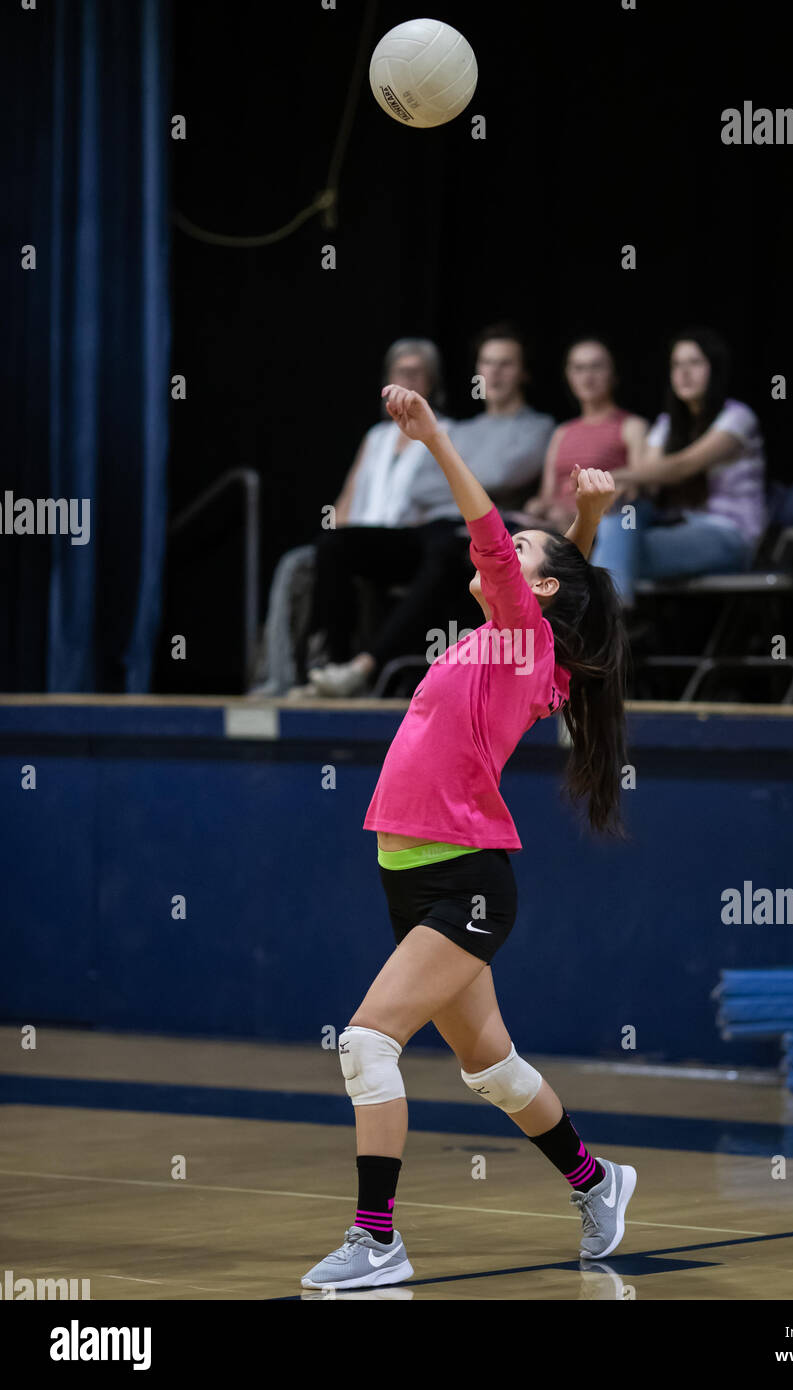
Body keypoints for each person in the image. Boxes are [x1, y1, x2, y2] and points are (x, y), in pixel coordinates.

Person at [301, 383, 636, 1290]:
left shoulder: (521, 636)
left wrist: (433, 436)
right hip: (410, 875)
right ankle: (598, 1183)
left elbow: (504, 544)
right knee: (492, 1069)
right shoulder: (521, 646)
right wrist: (585, 520)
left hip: (466, 882)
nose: (503, 547)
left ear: (536, 585)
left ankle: (378, 1240)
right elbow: (561, 590)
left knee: (367, 1043)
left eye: (521, 553)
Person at [307, 324, 554, 697]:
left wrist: (455, 472)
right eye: (488, 363)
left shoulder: (537, 426)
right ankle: (332, 666)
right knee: (335, 544)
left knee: (444, 551)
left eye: (506, 364)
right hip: (429, 525)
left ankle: (365, 667)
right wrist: (466, 478)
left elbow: (504, 473)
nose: (496, 372)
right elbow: (421, 486)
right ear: (477, 371)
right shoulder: (463, 429)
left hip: (478, 534)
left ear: (523, 373)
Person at [248, 338, 450, 697]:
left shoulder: (445, 432)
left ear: (432, 381)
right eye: (400, 372)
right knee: (303, 561)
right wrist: (334, 541)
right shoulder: (376, 437)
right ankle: (309, 669)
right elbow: (347, 498)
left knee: (337, 552)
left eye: (416, 373)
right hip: (361, 537)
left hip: (407, 540)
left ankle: (344, 669)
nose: (408, 380)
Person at [590, 328, 767, 605]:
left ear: (715, 370)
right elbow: (649, 476)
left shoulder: (737, 418)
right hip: (674, 525)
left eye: (694, 363)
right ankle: (616, 624)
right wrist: (621, 485)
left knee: (613, 554)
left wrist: (618, 475)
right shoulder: (667, 424)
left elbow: (683, 466)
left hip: (728, 534)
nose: (684, 373)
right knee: (621, 513)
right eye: (677, 365)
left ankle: (607, 626)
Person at [523, 337, 647, 531]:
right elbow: (547, 495)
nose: (587, 377)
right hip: (554, 525)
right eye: (578, 368)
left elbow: (638, 488)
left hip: (602, 525)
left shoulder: (632, 426)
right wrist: (538, 506)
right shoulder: (562, 432)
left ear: (613, 374)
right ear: (568, 376)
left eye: (596, 367)